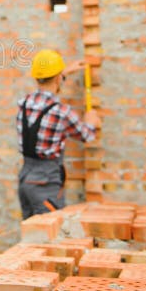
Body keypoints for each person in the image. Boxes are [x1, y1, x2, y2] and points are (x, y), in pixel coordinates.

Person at [16, 49, 100, 220]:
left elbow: (45, 92)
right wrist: (92, 121)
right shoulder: (61, 112)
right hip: (45, 182)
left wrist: (64, 72)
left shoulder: (24, 103)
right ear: (57, 78)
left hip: (25, 180)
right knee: (51, 233)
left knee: (31, 235)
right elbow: (87, 135)